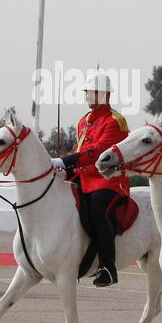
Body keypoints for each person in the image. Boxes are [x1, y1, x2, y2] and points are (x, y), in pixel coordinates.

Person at [52, 71, 129, 286]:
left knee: (98, 211)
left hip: (108, 180)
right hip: (83, 178)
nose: (88, 96)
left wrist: (65, 161)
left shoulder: (115, 121)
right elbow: (81, 151)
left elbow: (98, 152)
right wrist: (66, 171)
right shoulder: (83, 122)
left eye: (93, 92)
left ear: (104, 94)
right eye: (87, 92)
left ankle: (107, 267)